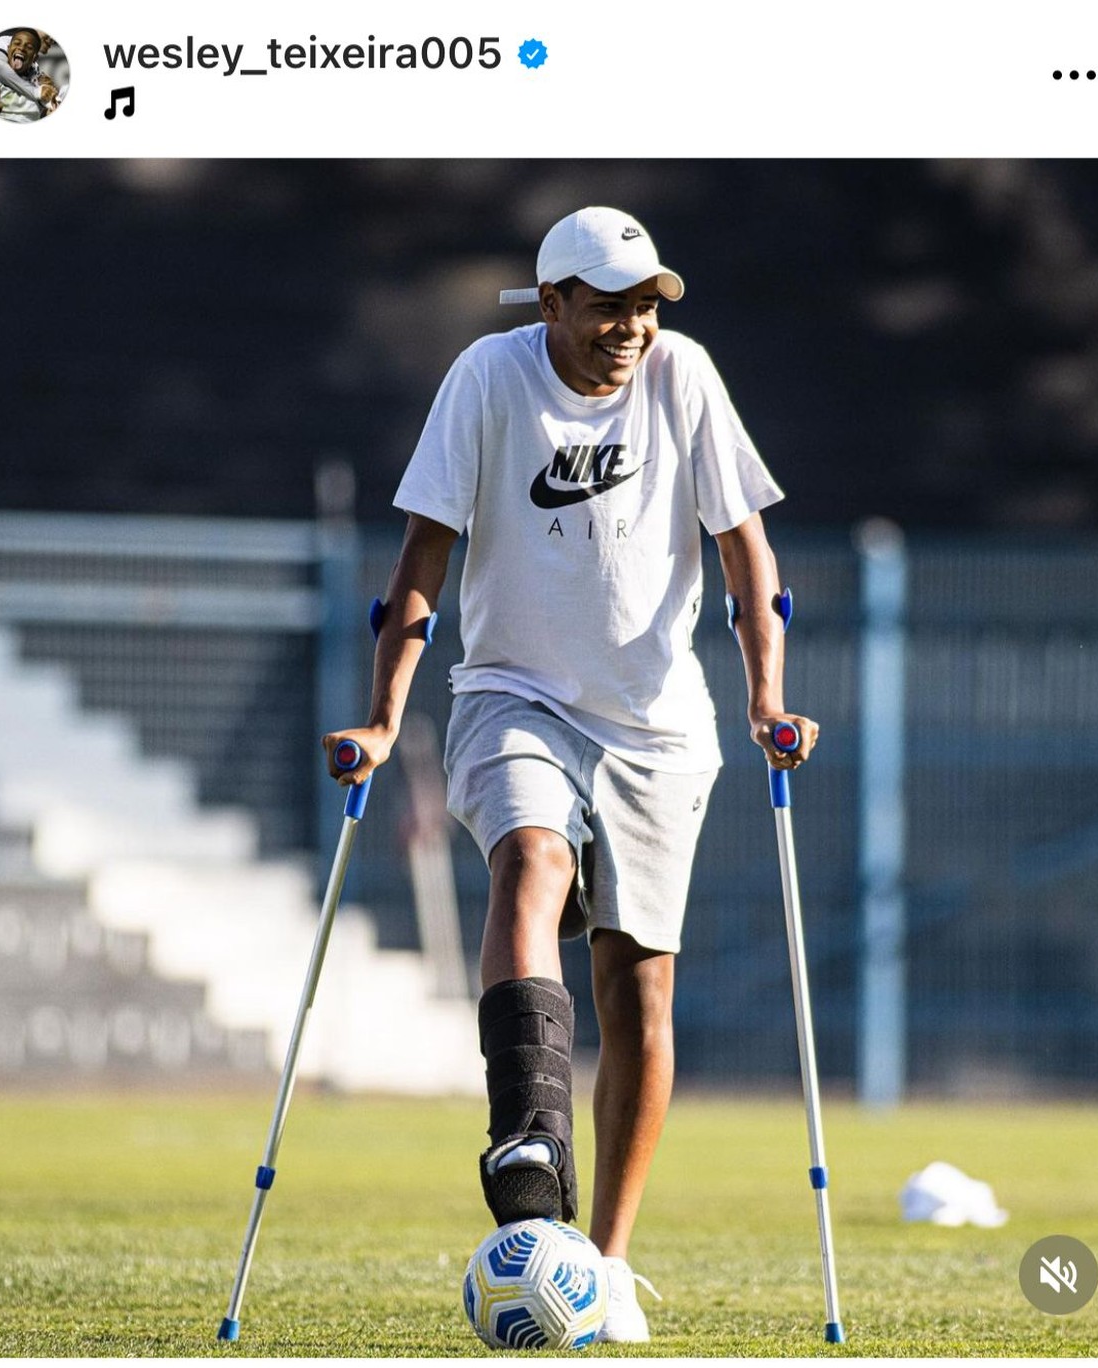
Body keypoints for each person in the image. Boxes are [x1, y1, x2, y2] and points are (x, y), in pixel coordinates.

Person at [323, 206, 818, 1342]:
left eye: (645, 304)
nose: (631, 327)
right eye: (608, 305)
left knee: (638, 986)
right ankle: (529, 1136)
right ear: (550, 303)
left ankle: (606, 1262)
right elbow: (421, 559)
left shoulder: (684, 377)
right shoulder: (487, 380)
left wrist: (764, 698)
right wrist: (385, 723)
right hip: (515, 695)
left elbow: (747, 553)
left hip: (657, 724)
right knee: (531, 861)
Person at [0, 29, 60, 121]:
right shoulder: (4, 43)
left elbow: (41, 108)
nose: (52, 38)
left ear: (35, 57)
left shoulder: (35, 70)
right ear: (8, 48)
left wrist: (50, 104)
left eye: (29, 47)